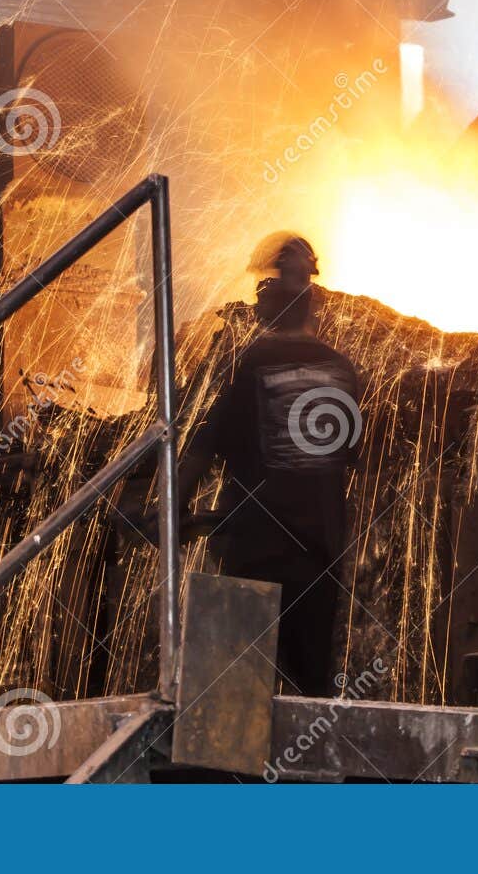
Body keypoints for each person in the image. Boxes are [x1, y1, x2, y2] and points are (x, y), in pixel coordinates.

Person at [181, 235, 362, 697]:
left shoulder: (251, 365)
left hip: (253, 555)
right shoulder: (342, 370)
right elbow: (352, 462)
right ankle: (308, 764)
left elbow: (203, 450)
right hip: (319, 561)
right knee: (311, 696)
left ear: (266, 300)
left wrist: (170, 512)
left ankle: (228, 771)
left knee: (232, 708)